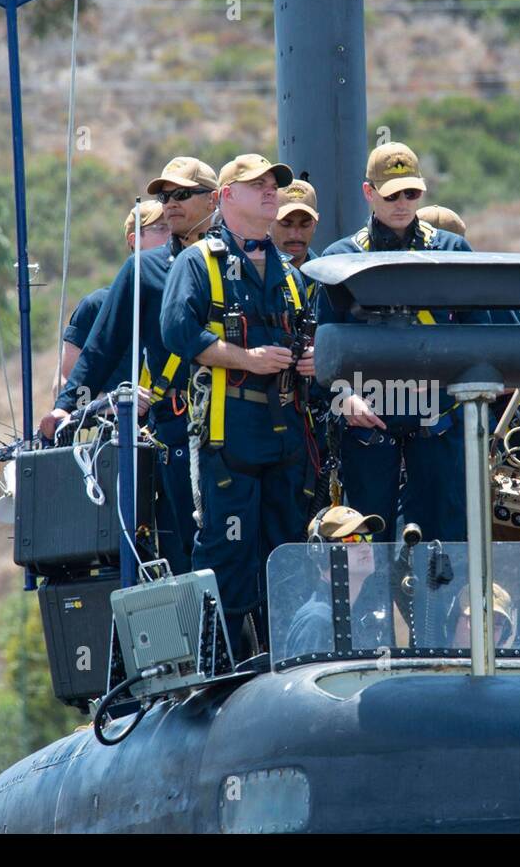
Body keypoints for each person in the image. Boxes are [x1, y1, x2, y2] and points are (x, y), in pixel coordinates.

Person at [160, 153, 317, 653]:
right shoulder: (199, 263)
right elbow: (177, 332)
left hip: (288, 440)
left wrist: (315, 360)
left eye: (274, 184)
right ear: (226, 196)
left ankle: (287, 666)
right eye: (257, 185)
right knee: (225, 559)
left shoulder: (291, 274)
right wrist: (245, 359)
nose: (271, 191)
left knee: (287, 559)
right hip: (230, 441)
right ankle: (218, 676)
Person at [40, 156, 220, 574]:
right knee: (185, 552)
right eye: (164, 196)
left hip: (247, 428)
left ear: (213, 200)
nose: (170, 203)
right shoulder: (145, 270)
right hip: (179, 429)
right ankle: (199, 638)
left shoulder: (241, 262)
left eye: (181, 195)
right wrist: (68, 405)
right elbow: (101, 349)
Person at [317, 142, 490, 546]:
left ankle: (445, 612)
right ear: (368, 193)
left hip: (439, 422)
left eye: (411, 193)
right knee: (365, 543)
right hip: (368, 423)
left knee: (446, 542)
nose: (402, 203)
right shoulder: (339, 258)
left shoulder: (453, 252)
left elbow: (480, 338)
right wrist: (344, 396)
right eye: (392, 194)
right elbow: (323, 349)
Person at [52, 201, 173, 400]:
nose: (171, 235)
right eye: (161, 228)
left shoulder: (184, 302)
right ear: (134, 240)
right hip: (113, 428)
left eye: (173, 227)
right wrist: (110, 404)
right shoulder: (96, 306)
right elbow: (63, 385)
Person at [281, 506, 386, 658]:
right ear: (320, 552)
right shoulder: (317, 621)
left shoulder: (356, 616)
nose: (365, 547)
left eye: (368, 538)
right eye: (352, 539)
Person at [269, 179, 319, 269]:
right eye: (286, 224)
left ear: (315, 224)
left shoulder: (326, 278)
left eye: (305, 224)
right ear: (267, 221)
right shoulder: (247, 275)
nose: (295, 235)